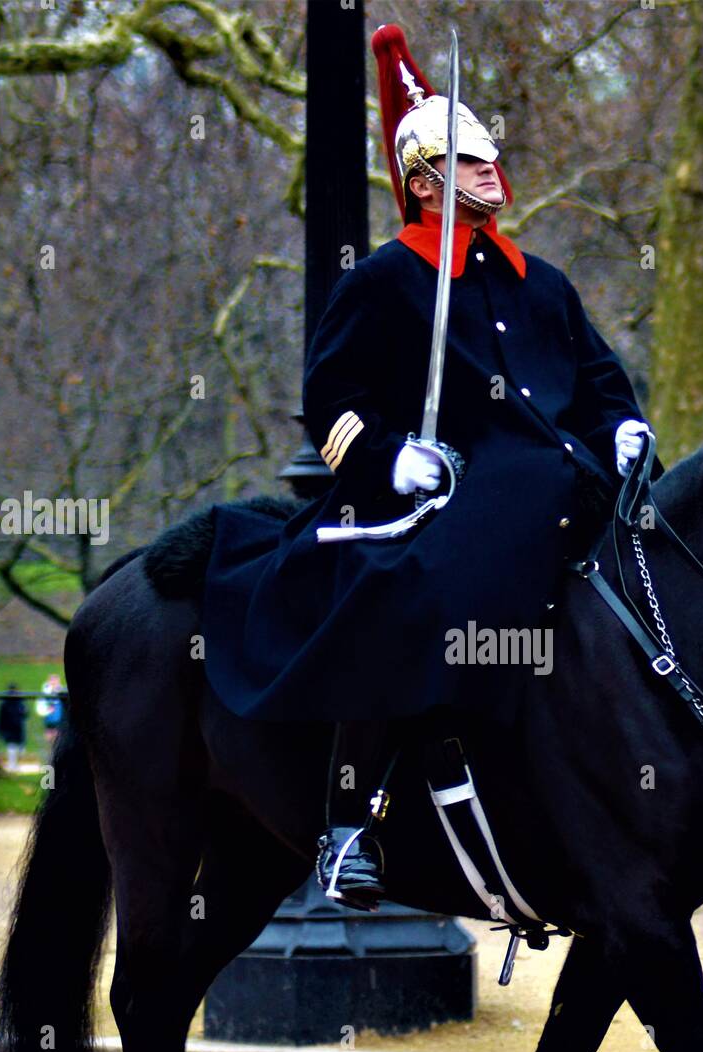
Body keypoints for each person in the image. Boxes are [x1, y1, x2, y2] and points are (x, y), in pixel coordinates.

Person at [200, 25, 656, 911]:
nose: (492, 171)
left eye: (490, 159)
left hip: (575, 484)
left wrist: (629, 429)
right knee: (405, 593)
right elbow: (328, 400)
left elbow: (603, 384)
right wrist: (385, 457)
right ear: (423, 181)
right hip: (455, 488)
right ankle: (347, 826)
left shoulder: (545, 284)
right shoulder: (385, 281)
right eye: (471, 162)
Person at [0, 683, 27, 772]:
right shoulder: (5, 703)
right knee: (12, 746)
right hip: (9, 728)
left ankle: (17, 765)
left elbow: (25, 713)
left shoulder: (19, 702)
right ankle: (12, 765)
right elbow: (1, 717)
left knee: (19, 747)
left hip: (18, 727)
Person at [34, 673, 65, 759]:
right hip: (49, 722)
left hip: (60, 722)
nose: (54, 682)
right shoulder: (46, 693)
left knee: (58, 742)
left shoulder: (61, 692)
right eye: (52, 680)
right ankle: (51, 759)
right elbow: (40, 708)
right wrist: (47, 710)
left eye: (55, 680)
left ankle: (58, 757)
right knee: (51, 742)